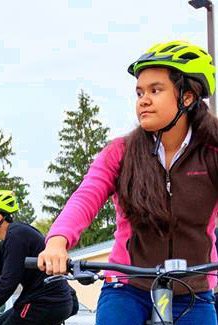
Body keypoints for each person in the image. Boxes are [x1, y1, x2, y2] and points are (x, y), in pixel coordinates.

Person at [38, 40, 218, 324]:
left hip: (193, 291)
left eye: (155, 90)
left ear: (187, 97)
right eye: (139, 92)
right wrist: (57, 242)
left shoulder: (212, 153)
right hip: (127, 287)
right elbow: (86, 196)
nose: (143, 100)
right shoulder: (121, 153)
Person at [0, 190, 75, 324]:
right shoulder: (13, 237)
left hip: (46, 302)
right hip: (46, 300)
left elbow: (7, 283)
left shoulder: (17, 237)